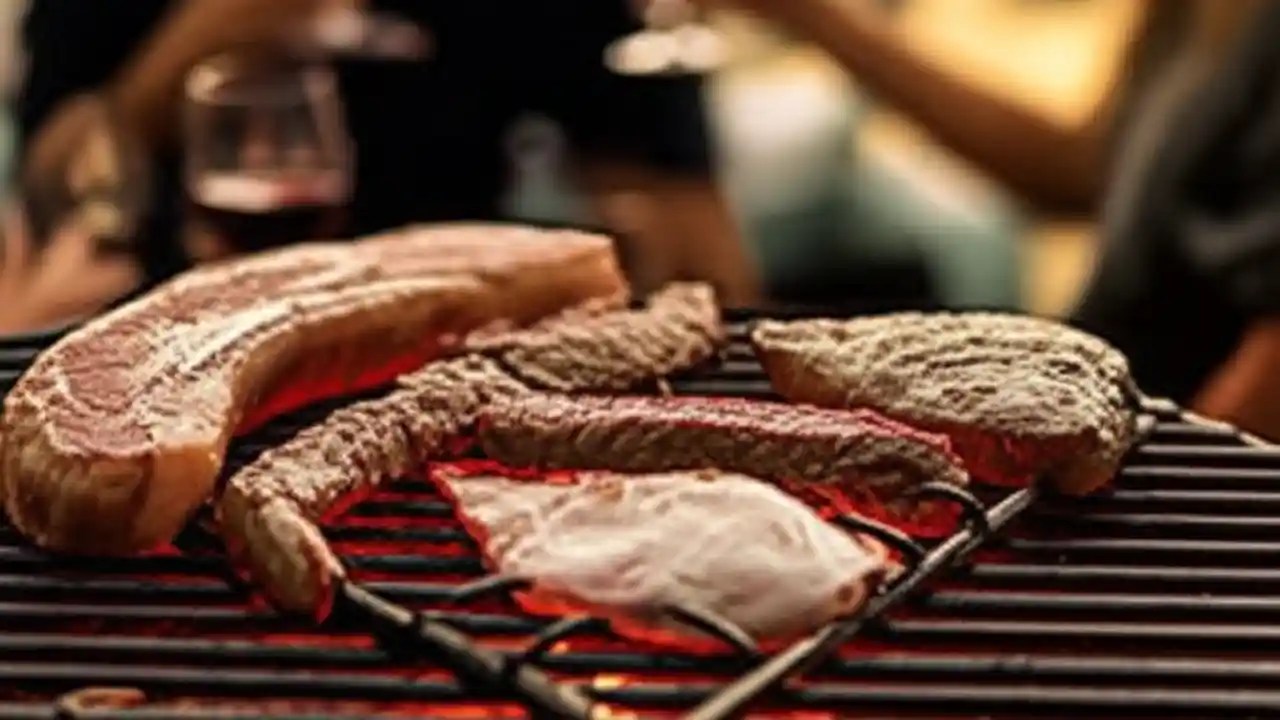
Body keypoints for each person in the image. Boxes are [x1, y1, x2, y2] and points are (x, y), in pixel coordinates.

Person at [703, 0, 1280, 438]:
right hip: (1105, 410)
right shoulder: (1198, 15)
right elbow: (1078, 173)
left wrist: (1120, 511)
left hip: (1159, 449)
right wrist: (818, 19)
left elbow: (1263, 396)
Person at [9, 0, 760, 327]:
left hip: (446, 359)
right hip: (169, 346)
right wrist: (196, 45)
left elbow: (705, 262)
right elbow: (47, 204)